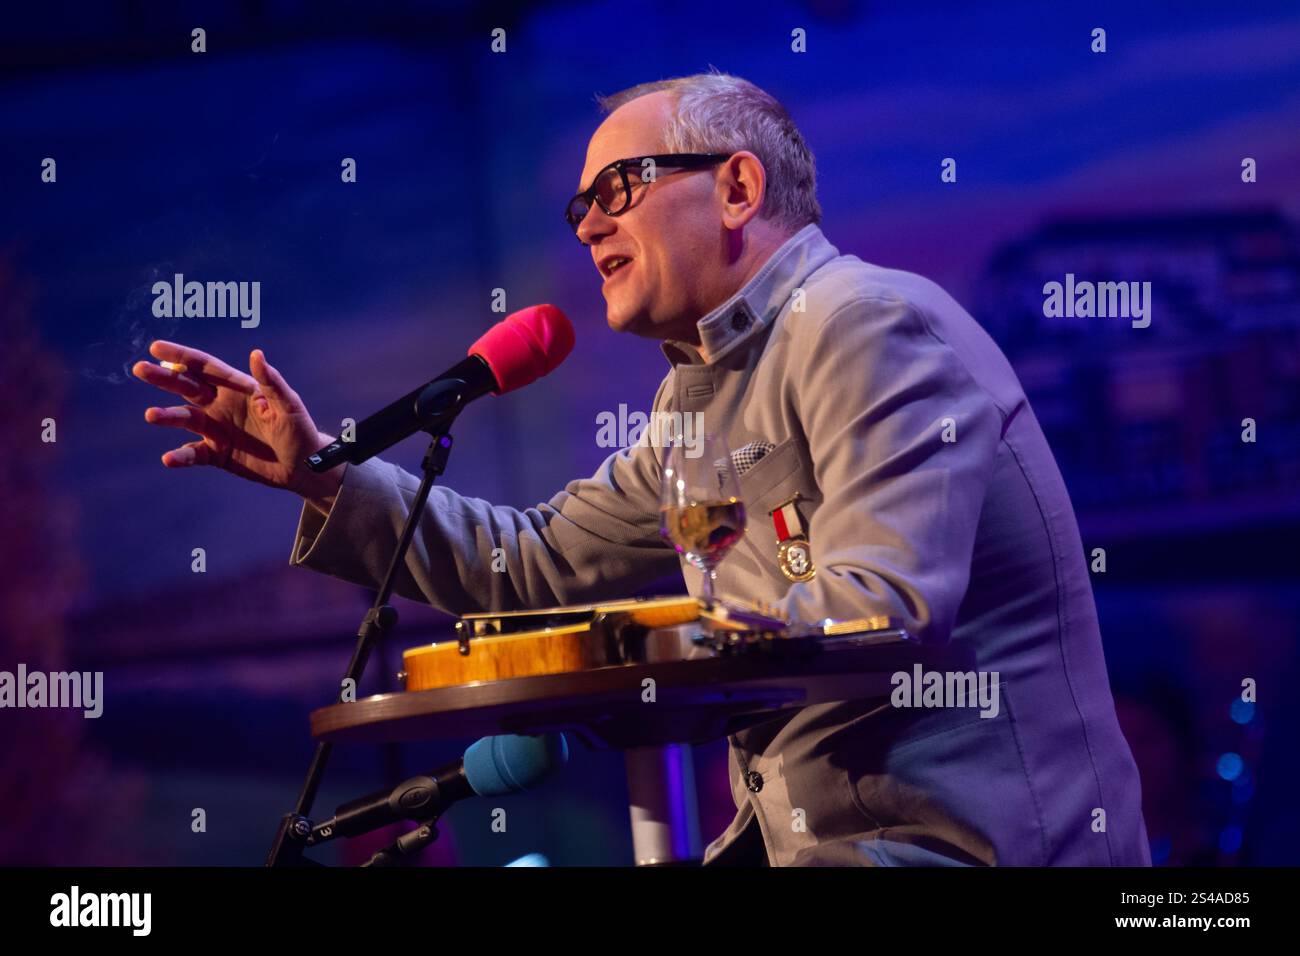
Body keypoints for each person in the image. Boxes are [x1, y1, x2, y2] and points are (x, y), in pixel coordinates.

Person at [134, 70, 1150, 866]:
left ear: (738, 186)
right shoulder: (690, 398)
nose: (586, 224)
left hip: (961, 849)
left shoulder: (865, 321)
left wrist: (662, 647)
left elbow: (883, 609)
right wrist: (321, 474)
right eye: (577, 206)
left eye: (617, 188)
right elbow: (528, 562)